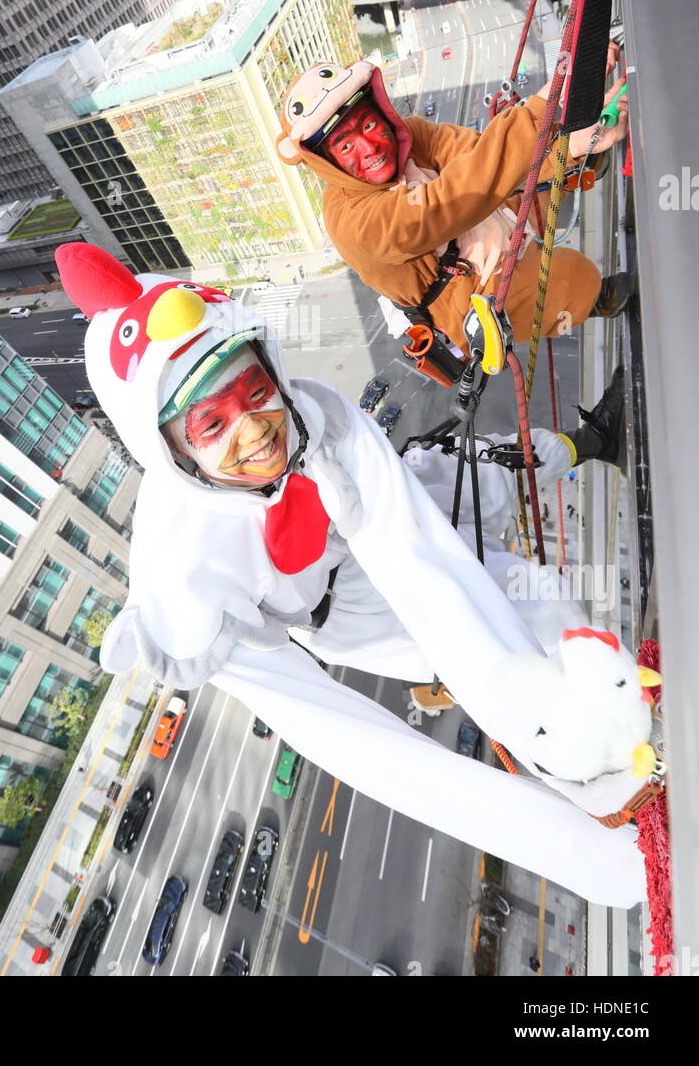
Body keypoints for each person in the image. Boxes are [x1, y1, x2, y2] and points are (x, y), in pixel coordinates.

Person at [55, 244, 654, 908]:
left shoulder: (315, 413)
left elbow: (417, 557)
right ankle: (605, 792)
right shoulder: (184, 578)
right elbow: (369, 750)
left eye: (257, 393)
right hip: (344, 613)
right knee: (520, 632)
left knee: (513, 552)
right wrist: (588, 853)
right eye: (212, 424)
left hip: (370, 521)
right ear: (169, 448)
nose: (254, 431)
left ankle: (589, 457)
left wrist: (507, 680)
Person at [274, 52, 632, 351]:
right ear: (329, 162)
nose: (370, 150)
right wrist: (550, 98)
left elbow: (479, 156)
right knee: (574, 279)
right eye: (347, 146)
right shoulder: (355, 223)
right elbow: (447, 201)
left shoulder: (411, 135)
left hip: (484, 218)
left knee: (525, 175)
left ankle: (580, 156)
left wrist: (569, 146)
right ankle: (597, 299)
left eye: (368, 126)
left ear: (381, 113)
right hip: (462, 287)